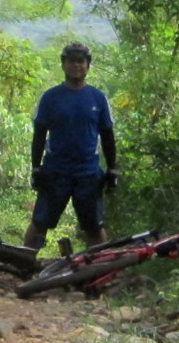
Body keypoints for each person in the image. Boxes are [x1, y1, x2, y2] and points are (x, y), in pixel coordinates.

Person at [23, 42, 117, 250]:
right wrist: (36, 167)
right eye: (71, 61)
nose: (76, 65)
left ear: (88, 65)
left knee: (94, 226)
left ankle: (99, 270)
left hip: (88, 173)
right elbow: (39, 134)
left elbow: (108, 135)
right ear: (63, 65)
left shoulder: (98, 98)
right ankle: (25, 264)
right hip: (55, 171)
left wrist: (112, 168)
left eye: (80, 61)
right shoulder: (50, 97)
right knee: (40, 222)